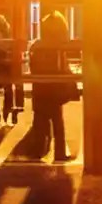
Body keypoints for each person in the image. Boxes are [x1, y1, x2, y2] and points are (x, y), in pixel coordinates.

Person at [28, 10, 78, 162]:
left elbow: (32, 66)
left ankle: (37, 151)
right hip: (54, 89)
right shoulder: (58, 47)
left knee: (39, 119)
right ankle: (60, 152)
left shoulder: (36, 45)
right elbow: (62, 68)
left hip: (39, 88)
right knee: (57, 121)